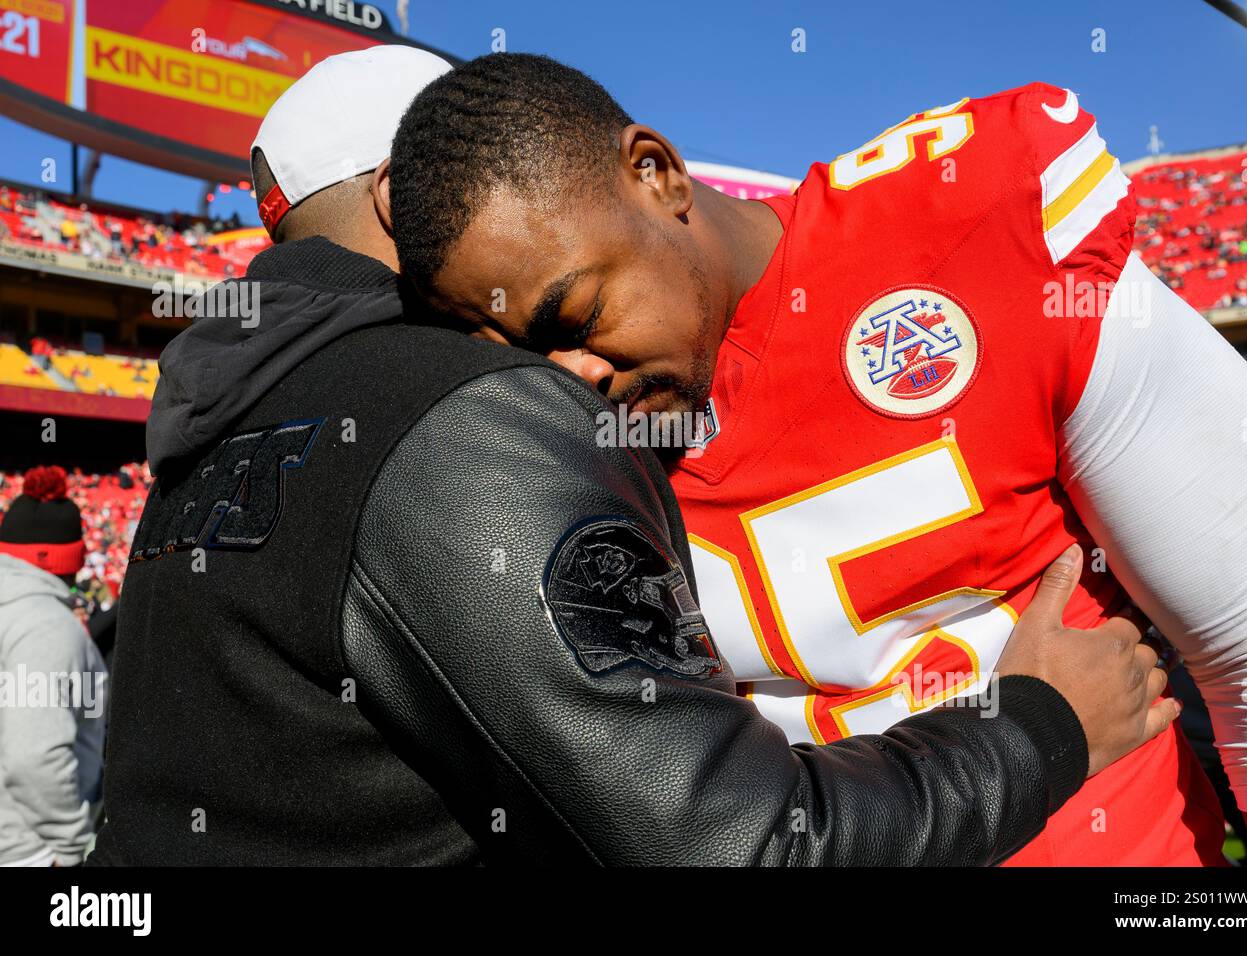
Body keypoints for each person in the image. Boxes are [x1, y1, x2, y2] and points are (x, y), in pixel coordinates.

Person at [90, 46, 1176, 868]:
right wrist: (1039, 726)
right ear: (403, 194)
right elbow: (739, 843)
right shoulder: (459, 415)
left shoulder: (220, 418)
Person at [385, 53, 1247, 865]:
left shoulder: (968, 226)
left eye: (576, 316)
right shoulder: (531, 432)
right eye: (519, 354)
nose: (575, 377)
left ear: (656, 174)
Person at [0, 466, 107, 867]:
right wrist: (68, 843)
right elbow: (33, 755)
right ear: (69, 558)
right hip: (29, 849)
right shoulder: (44, 625)